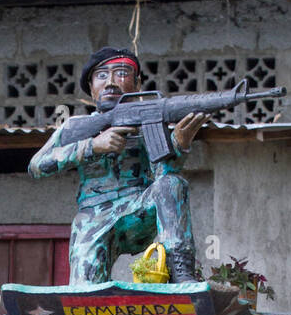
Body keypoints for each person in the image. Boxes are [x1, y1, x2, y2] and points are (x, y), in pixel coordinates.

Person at [29, 46, 203, 284]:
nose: (110, 82)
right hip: (93, 216)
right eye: (101, 75)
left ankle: (181, 272)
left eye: (121, 73)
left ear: (138, 83)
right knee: (84, 294)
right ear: (91, 88)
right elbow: (37, 166)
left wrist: (179, 146)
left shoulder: (147, 121)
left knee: (172, 184)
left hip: (138, 210)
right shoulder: (76, 127)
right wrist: (92, 146)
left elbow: (164, 177)